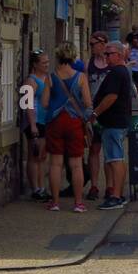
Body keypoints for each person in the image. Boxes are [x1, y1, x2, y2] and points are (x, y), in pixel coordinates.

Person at [43, 42, 93, 212]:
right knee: (76, 164)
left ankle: (55, 202)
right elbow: (87, 103)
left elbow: (44, 103)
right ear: (73, 56)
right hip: (74, 122)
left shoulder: (51, 77)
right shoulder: (80, 77)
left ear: (58, 56)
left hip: (56, 122)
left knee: (55, 164)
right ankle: (78, 203)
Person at [92, 41, 133, 210]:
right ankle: (118, 194)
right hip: (118, 121)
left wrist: (95, 113)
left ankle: (116, 196)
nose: (105, 56)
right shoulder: (121, 71)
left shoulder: (117, 72)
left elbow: (111, 97)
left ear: (119, 54)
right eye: (105, 53)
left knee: (115, 159)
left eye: (109, 54)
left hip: (114, 123)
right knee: (117, 159)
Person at [22, 49, 51, 202]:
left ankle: (42, 186)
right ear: (35, 64)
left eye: (47, 61)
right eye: (43, 62)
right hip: (35, 121)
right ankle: (35, 188)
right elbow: (28, 104)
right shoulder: (31, 81)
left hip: (45, 121)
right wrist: (32, 125)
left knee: (42, 156)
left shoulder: (47, 78)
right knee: (34, 156)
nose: (47, 65)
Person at [83, 32, 109, 201]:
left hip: (109, 113)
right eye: (90, 44)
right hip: (93, 114)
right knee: (94, 150)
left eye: (94, 44)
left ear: (103, 43)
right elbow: (84, 88)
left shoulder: (111, 63)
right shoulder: (89, 64)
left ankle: (110, 186)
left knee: (110, 152)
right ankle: (94, 186)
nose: (91, 47)